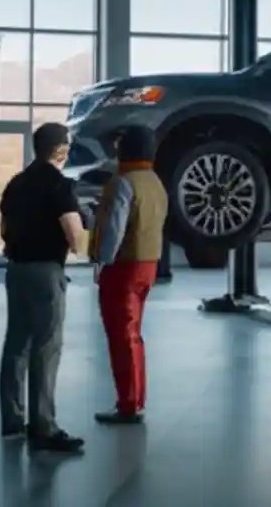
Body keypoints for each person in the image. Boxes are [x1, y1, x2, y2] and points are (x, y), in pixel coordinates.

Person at [0, 122, 87, 454]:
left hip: (16, 269)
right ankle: (43, 426)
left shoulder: (16, 184)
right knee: (47, 347)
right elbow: (74, 234)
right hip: (47, 272)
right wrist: (85, 248)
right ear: (60, 149)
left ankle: (11, 420)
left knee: (16, 344)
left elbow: (4, 228)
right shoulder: (59, 185)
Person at [89, 125, 168, 425]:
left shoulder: (123, 182)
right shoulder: (155, 183)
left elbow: (114, 230)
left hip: (123, 267)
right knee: (134, 334)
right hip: (148, 264)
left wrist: (102, 261)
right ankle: (136, 399)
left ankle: (128, 403)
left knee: (121, 336)